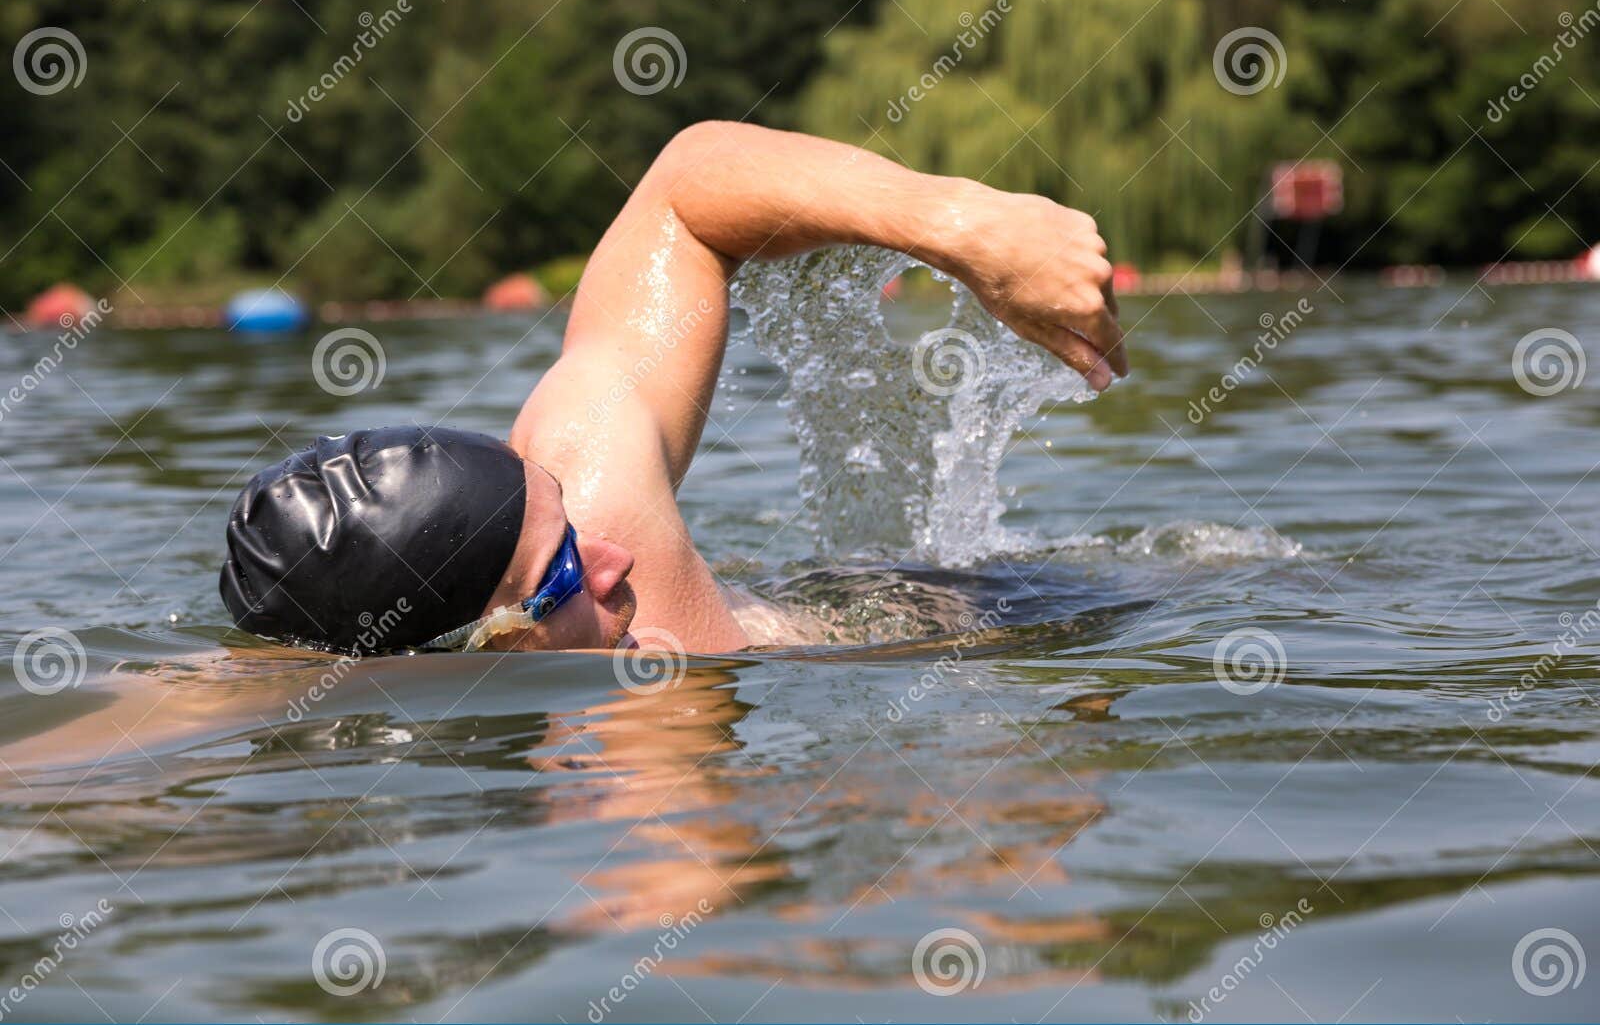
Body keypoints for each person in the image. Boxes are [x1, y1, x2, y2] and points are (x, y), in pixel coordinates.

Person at [220, 122, 1126, 656]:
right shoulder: (634, 778)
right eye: (564, 573)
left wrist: (962, 225)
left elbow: (687, 190)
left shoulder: (586, 475)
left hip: (1010, 597)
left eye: (566, 520)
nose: (614, 556)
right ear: (474, 651)